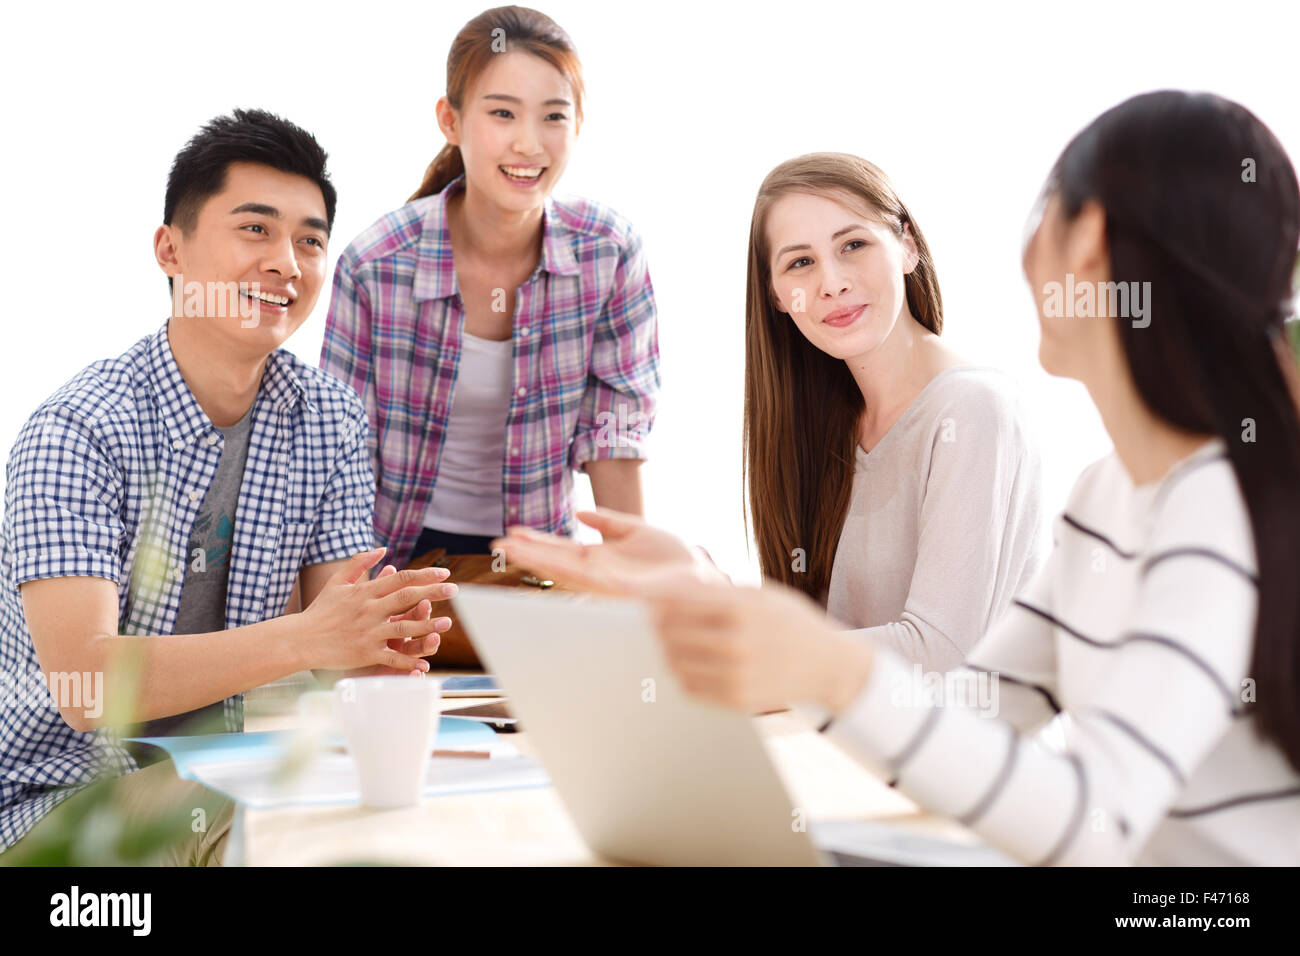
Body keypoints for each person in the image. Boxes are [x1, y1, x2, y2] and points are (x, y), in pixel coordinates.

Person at [498, 91, 1300, 865]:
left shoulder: (1216, 505)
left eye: (1041, 213)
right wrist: (717, 607)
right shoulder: (1107, 496)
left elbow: (1097, 821)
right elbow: (972, 715)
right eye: (802, 261)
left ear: (1085, 242)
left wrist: (815, 659)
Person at [0, 109, 456, 863]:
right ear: (169, 249)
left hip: (216, 774)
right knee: (281, 808)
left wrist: (382, 637)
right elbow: (86, 686)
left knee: (396, 805)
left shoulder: (330, 418)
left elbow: (338, 635)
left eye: (310, 240)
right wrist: (310, 637)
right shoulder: (77, 430)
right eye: (256, 229)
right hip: (58, 807)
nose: (287, 261)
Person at [499, 153, 1046, 673]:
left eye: (853, 244)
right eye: (801, 262)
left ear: (906, 246)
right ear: (778, 297)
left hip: (958, 767)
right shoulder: (824, 423)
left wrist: (719, 610)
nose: (831, 282)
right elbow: (813, 634)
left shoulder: (972, 410)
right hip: (854, 753)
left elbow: (937, 652)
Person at [320, 5, 660, 567]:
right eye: (503, 113)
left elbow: (614, 438)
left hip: (536, 566)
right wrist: (351, 607)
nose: (529, 144)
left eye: (553, 116)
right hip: (392, 561)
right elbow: (339, 459)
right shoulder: (374, 265)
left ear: (578, 125)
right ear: (450, 121)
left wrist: (642, 585)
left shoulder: (610, 253)